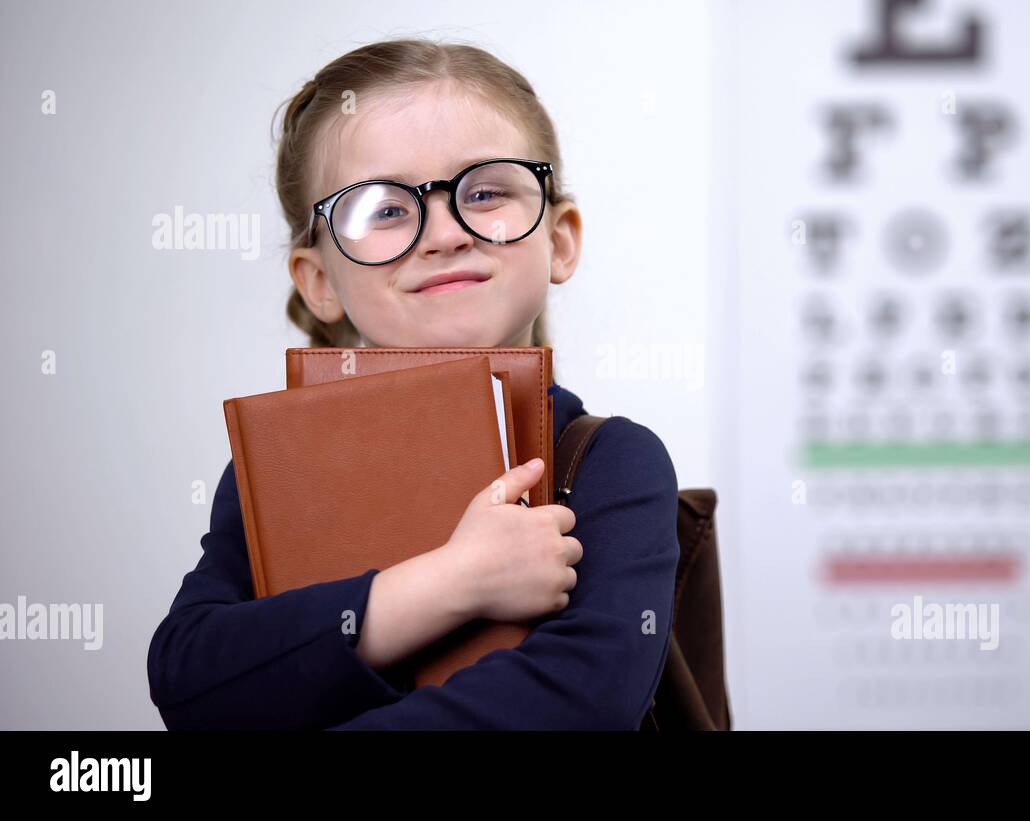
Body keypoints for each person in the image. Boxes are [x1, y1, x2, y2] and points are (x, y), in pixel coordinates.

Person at [146, 38, 680, 730]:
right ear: (318, 282)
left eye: (485, 191)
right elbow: (191, 683)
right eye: (385, 210)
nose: (444, 232)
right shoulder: (276, 468)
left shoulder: (612, 462)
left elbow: (586, 698)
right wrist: (452, 583)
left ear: (561, 239)